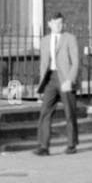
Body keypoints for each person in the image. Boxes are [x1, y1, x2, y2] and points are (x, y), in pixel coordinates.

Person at [35, 12, 80, 156]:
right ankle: (43, 146)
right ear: (49, 24)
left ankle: (71, 145)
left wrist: (70, 80)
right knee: (45, 112)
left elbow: (76, 61)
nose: (58, 26)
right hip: (50, 80)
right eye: (55, 23)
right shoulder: (44, 40)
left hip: (65, 79)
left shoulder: (70, 38)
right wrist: (41, 84)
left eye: (61, 23)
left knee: (69, 113)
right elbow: (43, 63)